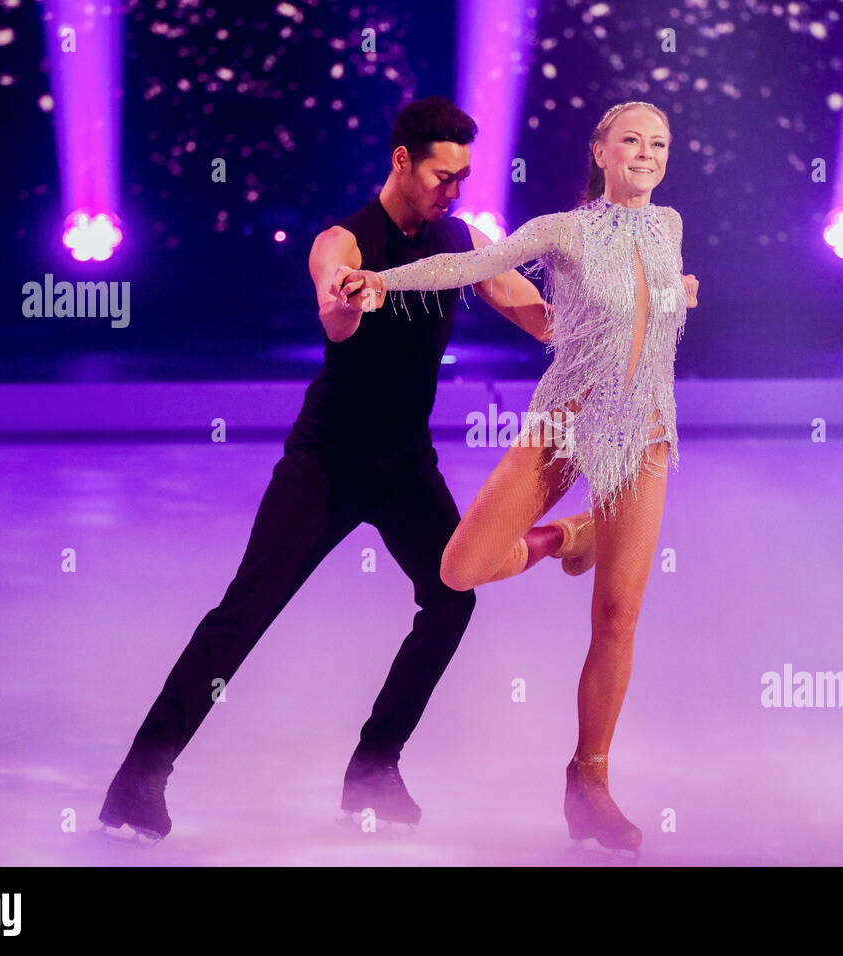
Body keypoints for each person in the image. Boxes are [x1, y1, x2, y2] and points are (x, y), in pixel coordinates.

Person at [98, 95, 572, 840]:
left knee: (452, 599)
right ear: (402, 161)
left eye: (463, 177)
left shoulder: (462, 241)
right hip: (326, 463)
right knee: (244, 614)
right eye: (443, 176)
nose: (455, 191)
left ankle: (374, 770)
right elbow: (335, 310)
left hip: (405, 464)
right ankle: (138, 779)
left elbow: (531, 311)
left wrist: (629, 318)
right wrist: (350, 297)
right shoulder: (343, 240)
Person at [337, 101, 699, 852]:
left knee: (617, 618)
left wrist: (680, 294)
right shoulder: (562, 231)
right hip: (563, 424)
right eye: (631, 140)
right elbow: (467, 266)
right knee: (460, 568)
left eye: (659, 143)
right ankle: (568, 537)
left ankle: (589, 781)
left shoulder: (669, 227)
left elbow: (655, 309)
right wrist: (379, 280)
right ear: (600, 151)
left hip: (645, 435)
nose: (646, 153)